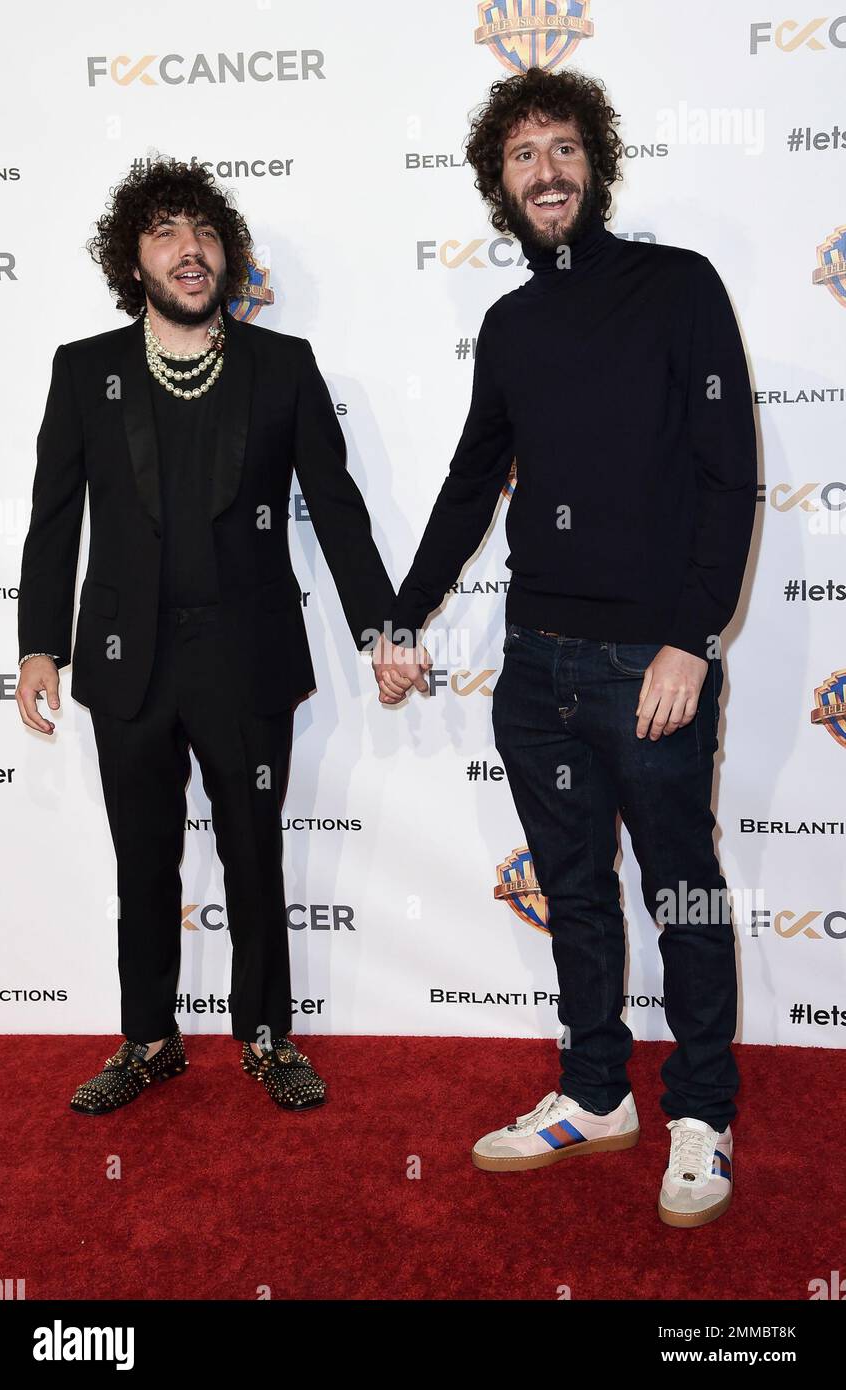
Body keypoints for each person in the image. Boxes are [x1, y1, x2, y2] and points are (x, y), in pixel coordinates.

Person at [374, 68, 757, 1227]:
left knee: (680, 888)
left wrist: (691, 640)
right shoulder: (511, 323)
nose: (545, 170)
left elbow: (725, 470)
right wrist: (400, 611)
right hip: (534, 668)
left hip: (651, 664)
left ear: (595, 162)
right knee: (577, 892)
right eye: (522, 154)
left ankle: (699, 1108)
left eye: (562, 146)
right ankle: (596, 1091)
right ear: (500, 184)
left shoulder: (676, 286)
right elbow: (468, 481)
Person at [17, 157, 403, 1115]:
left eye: (203, 232)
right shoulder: (85, 370)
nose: (188, 251)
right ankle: (148, 1040)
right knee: (142, 856)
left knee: (253, 851)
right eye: (164, 233)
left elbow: (339, 511)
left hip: (246, 657)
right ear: (133, 260)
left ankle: (266, 1039)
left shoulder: (283, 367)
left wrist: (380, 626)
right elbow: (53, 518)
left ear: (224, 252)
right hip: (125, 662)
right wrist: (39, 645)